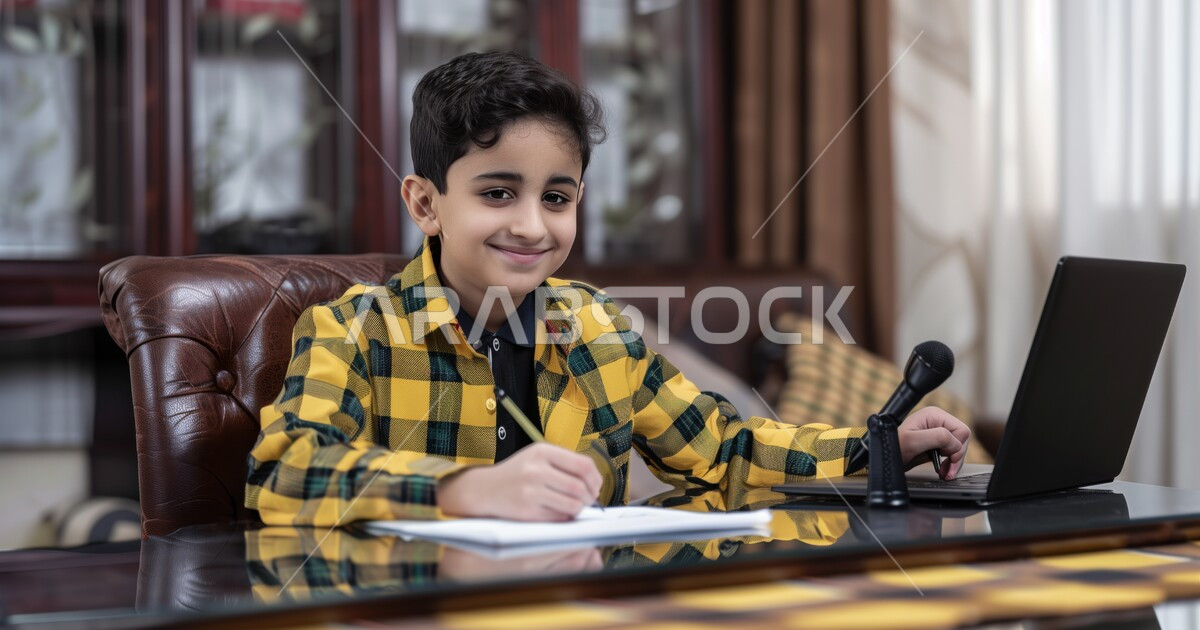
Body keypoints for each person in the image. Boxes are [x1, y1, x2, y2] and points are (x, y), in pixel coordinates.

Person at [244, 51, 971, 526]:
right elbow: (284, 469)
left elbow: (725, 452)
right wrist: (458, 491)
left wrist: (875, 448)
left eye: (557, 199)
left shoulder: (598, 328)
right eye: (498, 194)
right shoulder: (353, 329)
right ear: (426, 203)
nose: (532, 227)